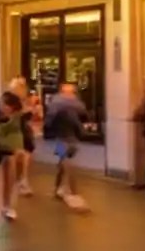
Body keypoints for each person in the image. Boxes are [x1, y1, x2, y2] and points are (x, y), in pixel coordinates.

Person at [46, 82, 88, 211]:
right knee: (66, 165)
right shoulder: (72, 107)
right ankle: (71, 193)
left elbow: (49, 123)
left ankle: (60, 189)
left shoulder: (58, 106)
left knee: (63, 165)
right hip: (65, 140)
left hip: (68, 140)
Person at [0, 90, 26, 220]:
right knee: (8, 175)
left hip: (17, 148)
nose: (4, 107)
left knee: (15, 177)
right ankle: (7, 205)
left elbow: (23, 132)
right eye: (4, 105)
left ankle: (10, 202)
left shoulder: (18, 117)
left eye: (7, 106)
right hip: (5, 149)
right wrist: (12, 119)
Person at [8, 77, 36, 197]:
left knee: (26, 156)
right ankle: (19, 181)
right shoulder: (9, 101)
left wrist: (33, 111)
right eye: (19, 87)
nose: (21, 90)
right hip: (14, 131)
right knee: (19, 157)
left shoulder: (26, 100)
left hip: (25, 131)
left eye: (22, 87)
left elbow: (31, 116)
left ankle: (23, 180)